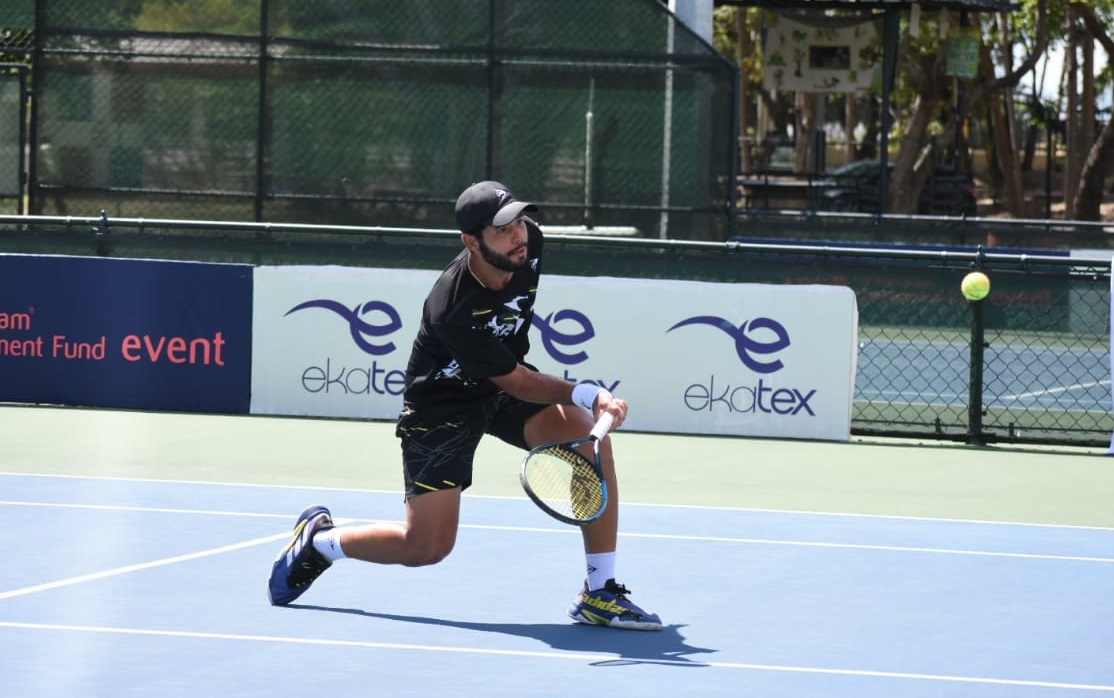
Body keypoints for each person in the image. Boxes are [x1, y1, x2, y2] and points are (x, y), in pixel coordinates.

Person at [267, 180, 661, 631]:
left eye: (518, 222)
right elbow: (518, 381)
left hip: (500, 383)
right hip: (442, 406)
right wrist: (591, 394)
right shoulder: (452, 307)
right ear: (471, 242)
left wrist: (585, 406)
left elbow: (511, 375)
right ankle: (320, 543)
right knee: (426, 548)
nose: (518, 235)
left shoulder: (530, 244)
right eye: (502, 230)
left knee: (586, 443)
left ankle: (600, 592)